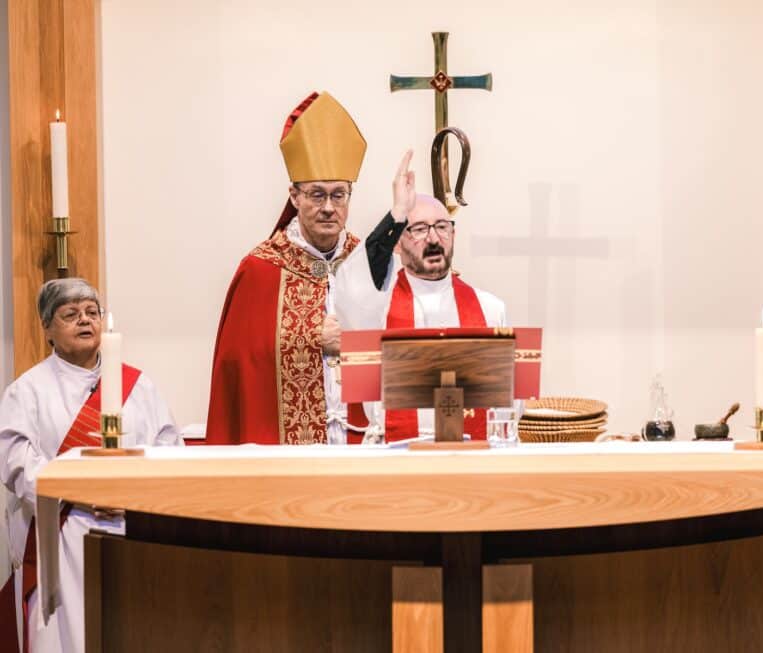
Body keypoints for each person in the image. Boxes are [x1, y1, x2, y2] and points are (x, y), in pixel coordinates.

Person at [0, 278, 182, 653]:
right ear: (47, 327)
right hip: (63, 532)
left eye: (91, 312)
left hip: (132, 525)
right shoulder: (28, 390)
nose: (85, 320)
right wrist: (81, 492)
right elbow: (16, 459)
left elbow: (168, 448)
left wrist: (133, 495)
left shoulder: (140, 387)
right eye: (70, 314)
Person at [207, 91, 369, 445]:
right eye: (316, 194)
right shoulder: (260, 269)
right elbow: (241, 363)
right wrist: (312, 338)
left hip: (363, 442)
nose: (328, 207)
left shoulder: (368, 263)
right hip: (287, 452)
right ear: (294, 197)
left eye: (338, 195)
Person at [334, 151, 507, 441]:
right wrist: (397, 214)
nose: (434, 238)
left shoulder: (491, 309)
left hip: (470, 460)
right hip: (394, 459)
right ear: (397, 245)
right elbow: (350, 286)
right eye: (419, 229)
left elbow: (506, 403)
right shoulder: (376, 308)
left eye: (442, 227)